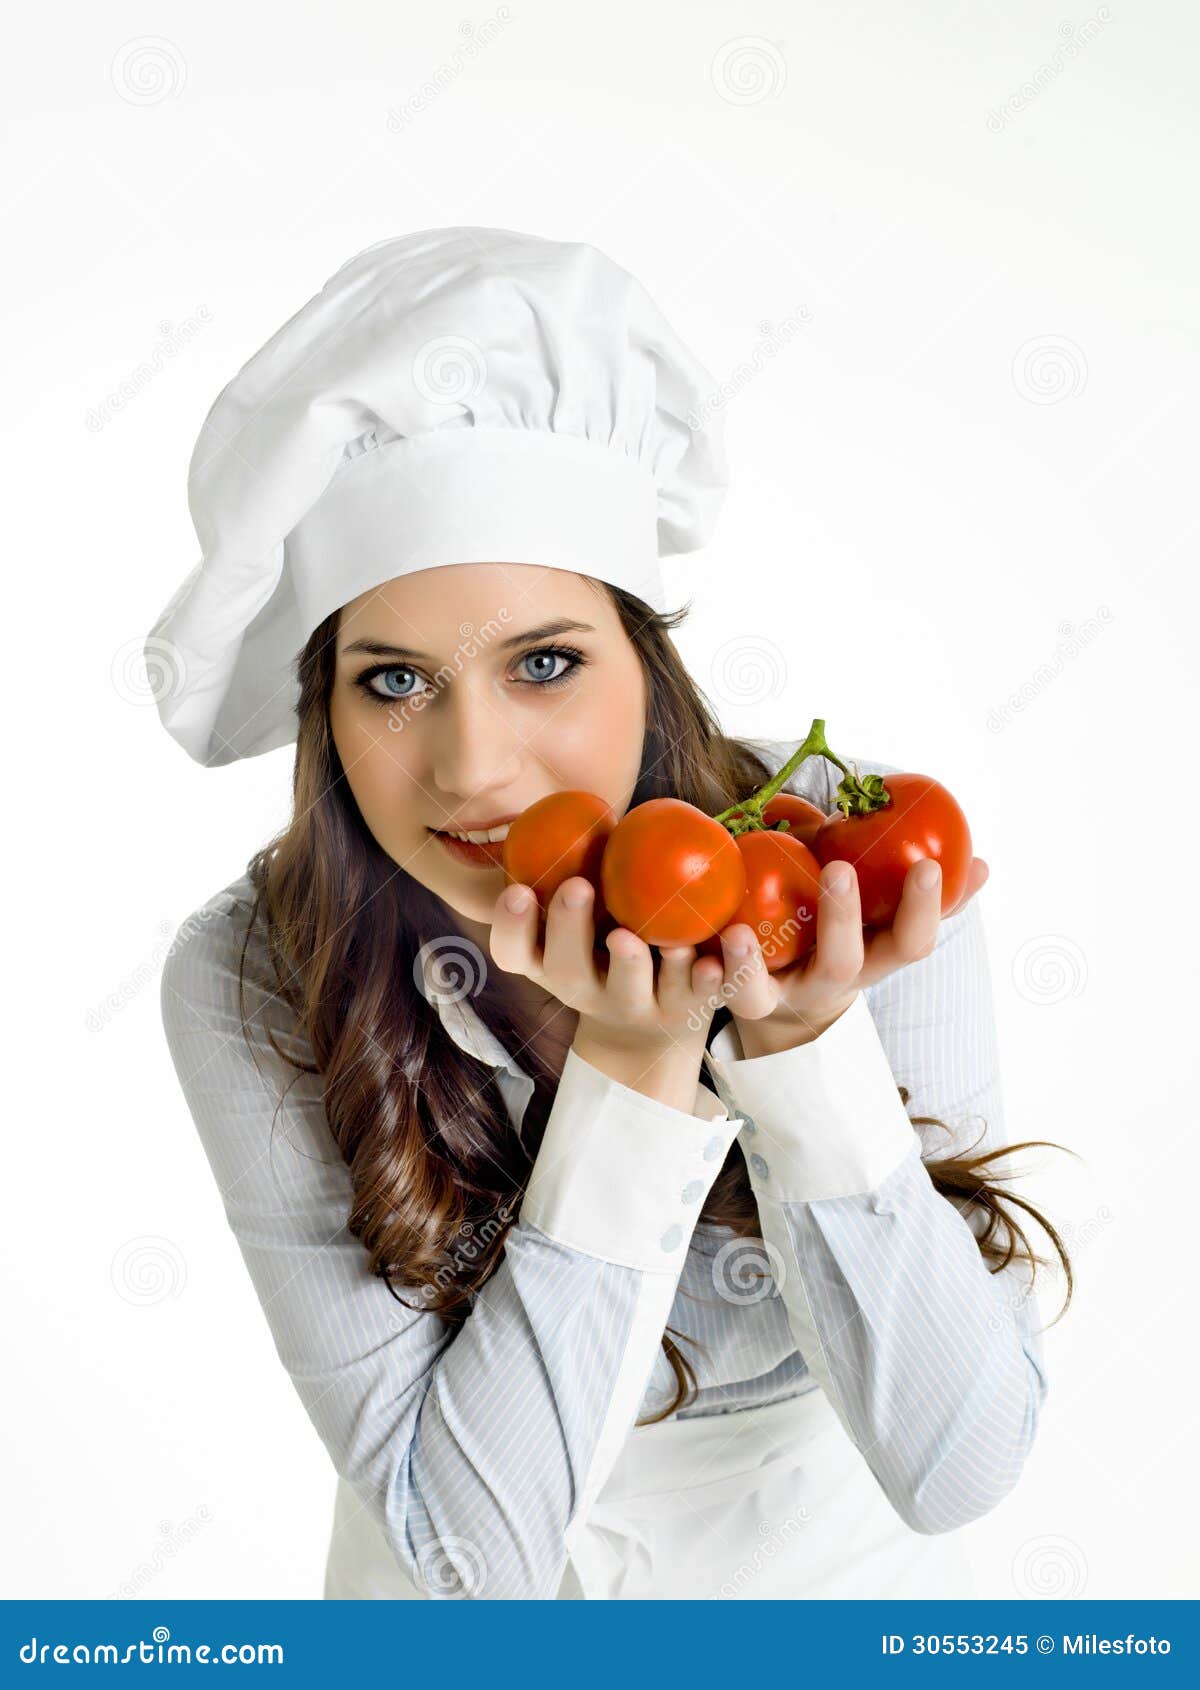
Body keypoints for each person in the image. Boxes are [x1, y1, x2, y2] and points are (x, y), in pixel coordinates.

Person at [149, 226, 1072, 1600]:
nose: (472, 767)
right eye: (394, 682)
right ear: (323, 709)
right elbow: (469, 1561)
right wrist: (634, 1072)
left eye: (544, 662)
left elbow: (958, 1462)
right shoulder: (258, 969)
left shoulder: (843, 877)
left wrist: (800, 1049)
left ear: (648, 659)